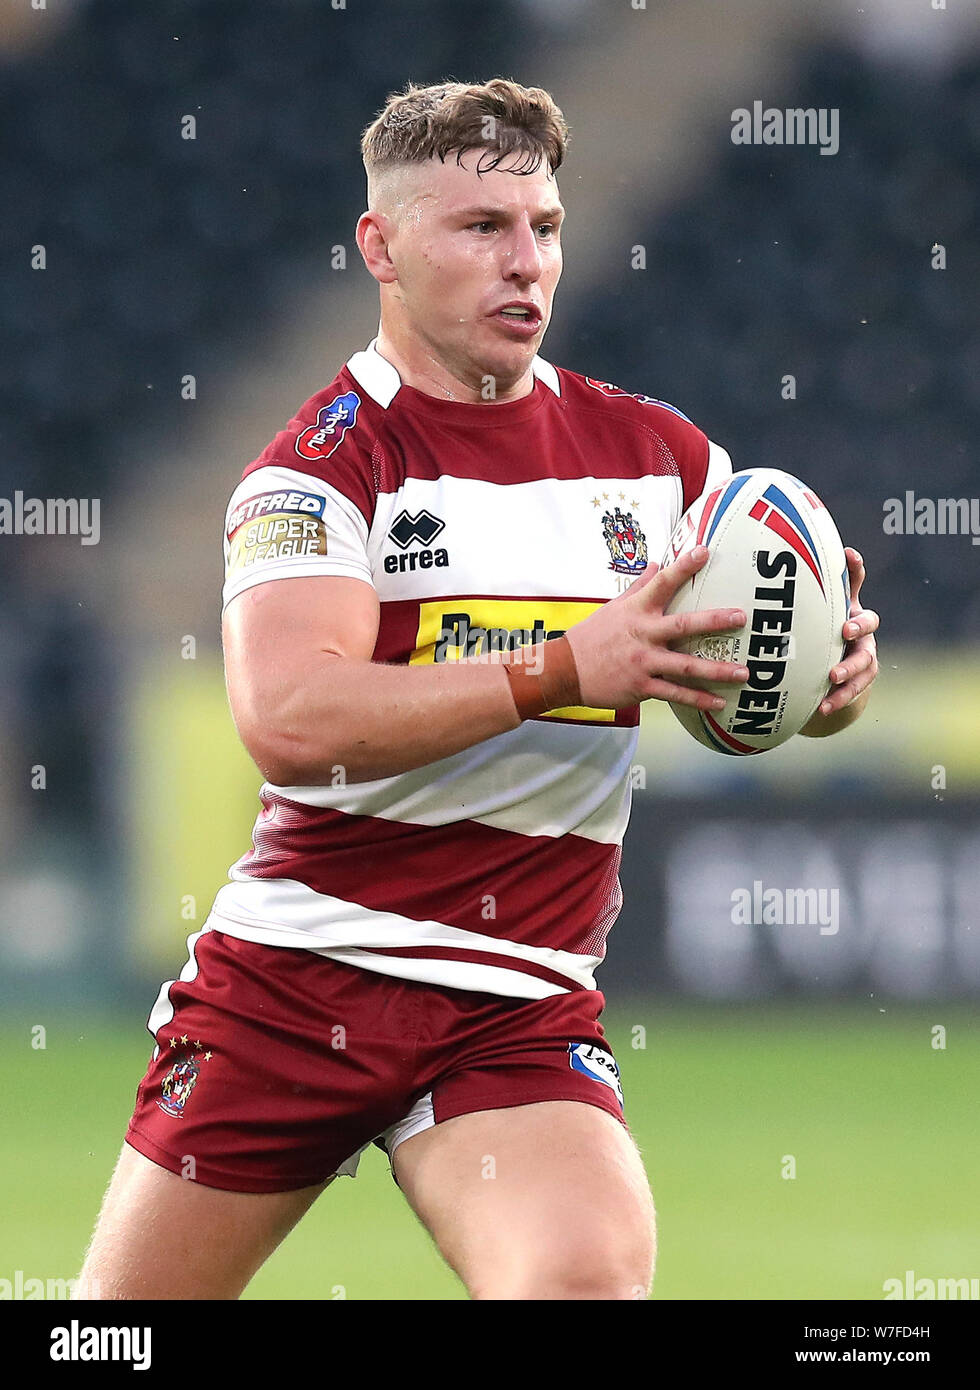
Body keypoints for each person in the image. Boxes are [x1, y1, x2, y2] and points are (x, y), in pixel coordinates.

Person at [77, 78, 878, 1301]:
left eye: (542, 229)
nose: (526, 265)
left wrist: (820, 683)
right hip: (298, 985)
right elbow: (289, 722)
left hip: (515, 1002)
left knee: (578, 1283)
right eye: (480, 229)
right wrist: (563, 667)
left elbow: (736, 677)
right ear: (380, 247)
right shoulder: (316, 470)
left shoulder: (657, 459)